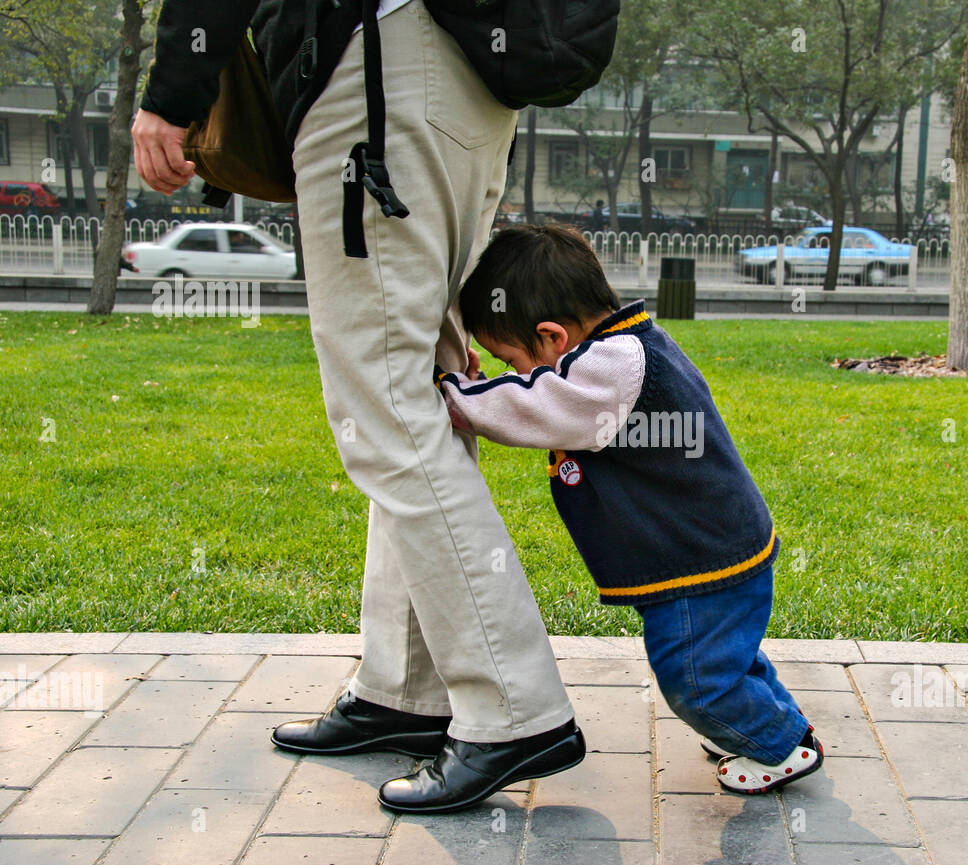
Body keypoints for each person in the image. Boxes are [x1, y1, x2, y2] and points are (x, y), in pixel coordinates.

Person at [132, 0, 583, 815]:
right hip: (467, 87)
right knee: (420, 389)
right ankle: (406, 688)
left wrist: (173, 88)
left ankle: (514, 711)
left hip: (377, 75)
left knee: (386, 411)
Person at [436, 224, 824, 794]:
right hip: (716, 550)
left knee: (695, 678)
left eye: (513, 359)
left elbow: (535, 407)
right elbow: (538, 394)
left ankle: (777, 746)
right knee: (729, 660)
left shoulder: (612, 367)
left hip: (702, 565)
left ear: (552, 336)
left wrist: (456, 396)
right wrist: (484, 386)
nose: (517, 374)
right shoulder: (628, 348)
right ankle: (765, 726)